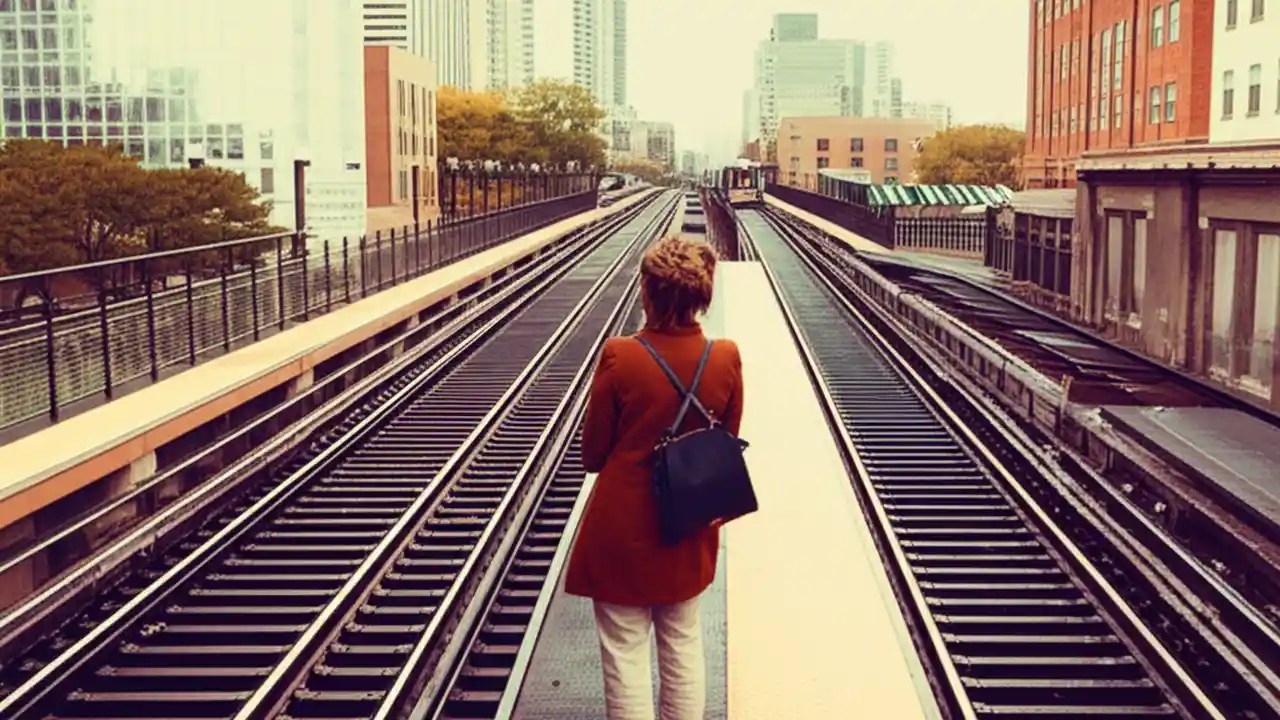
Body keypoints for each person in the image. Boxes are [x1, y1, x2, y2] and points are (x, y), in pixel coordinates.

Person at [564, 235, 745, 720]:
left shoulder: (621, 355)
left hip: (622, 528)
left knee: (625, 651)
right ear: (699, 296)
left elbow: (593, 454)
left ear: (649, 292)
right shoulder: (725, 356)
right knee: (684, 642)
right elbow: (726, 438)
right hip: (688, 524)